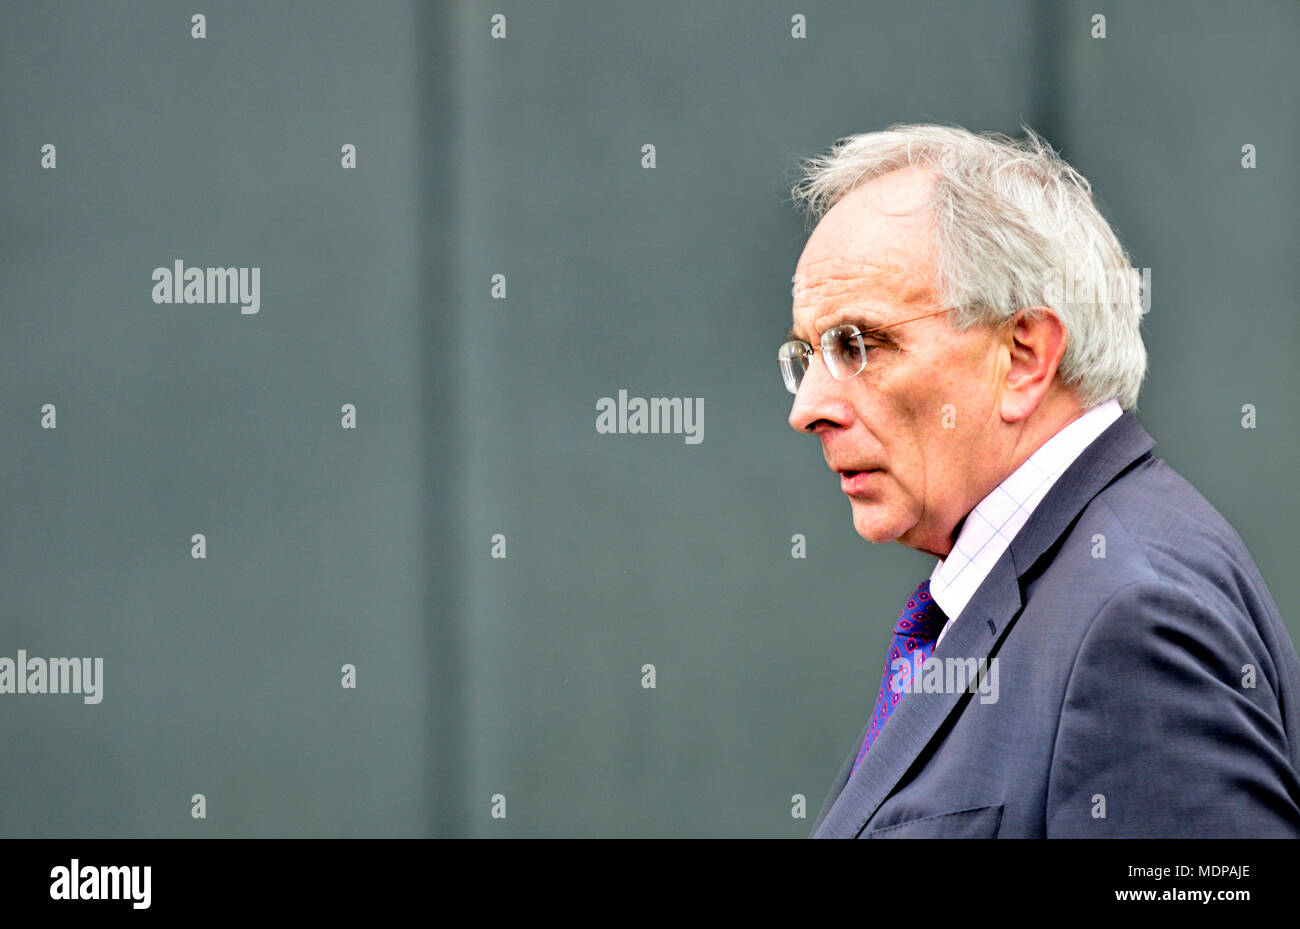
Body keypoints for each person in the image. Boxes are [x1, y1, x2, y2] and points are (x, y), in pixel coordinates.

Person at [781, 124, 1300, 838]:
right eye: (807, 353)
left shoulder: (1132, 622)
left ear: (1024, 356)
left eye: (858, 343)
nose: (807, 408)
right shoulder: (1058, 586)